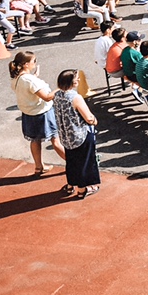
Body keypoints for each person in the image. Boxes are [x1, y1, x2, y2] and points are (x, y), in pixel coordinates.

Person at [9, 52, 66, 175]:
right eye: (34, 61)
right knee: (55, 139)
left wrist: (34, 76)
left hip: (29, 114)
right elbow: (47, 97)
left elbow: (27, 87)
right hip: (42, 113)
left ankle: (39, 167)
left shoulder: (16, 78)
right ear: (25, 64)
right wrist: (60, 88)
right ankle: (74, 163)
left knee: (35, 140)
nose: (35, 63)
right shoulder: (30, 81)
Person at [53, 69, 101, 199]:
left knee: (72, 161)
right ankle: (82, 189)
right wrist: (94, 121)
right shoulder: (75, 97)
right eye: (76, 79)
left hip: (66, 136)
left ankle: (70, 184)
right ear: (71, 82)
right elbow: (88, 117)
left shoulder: (57, 95)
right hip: (80, 135)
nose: (78, 80)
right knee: (85, 162)